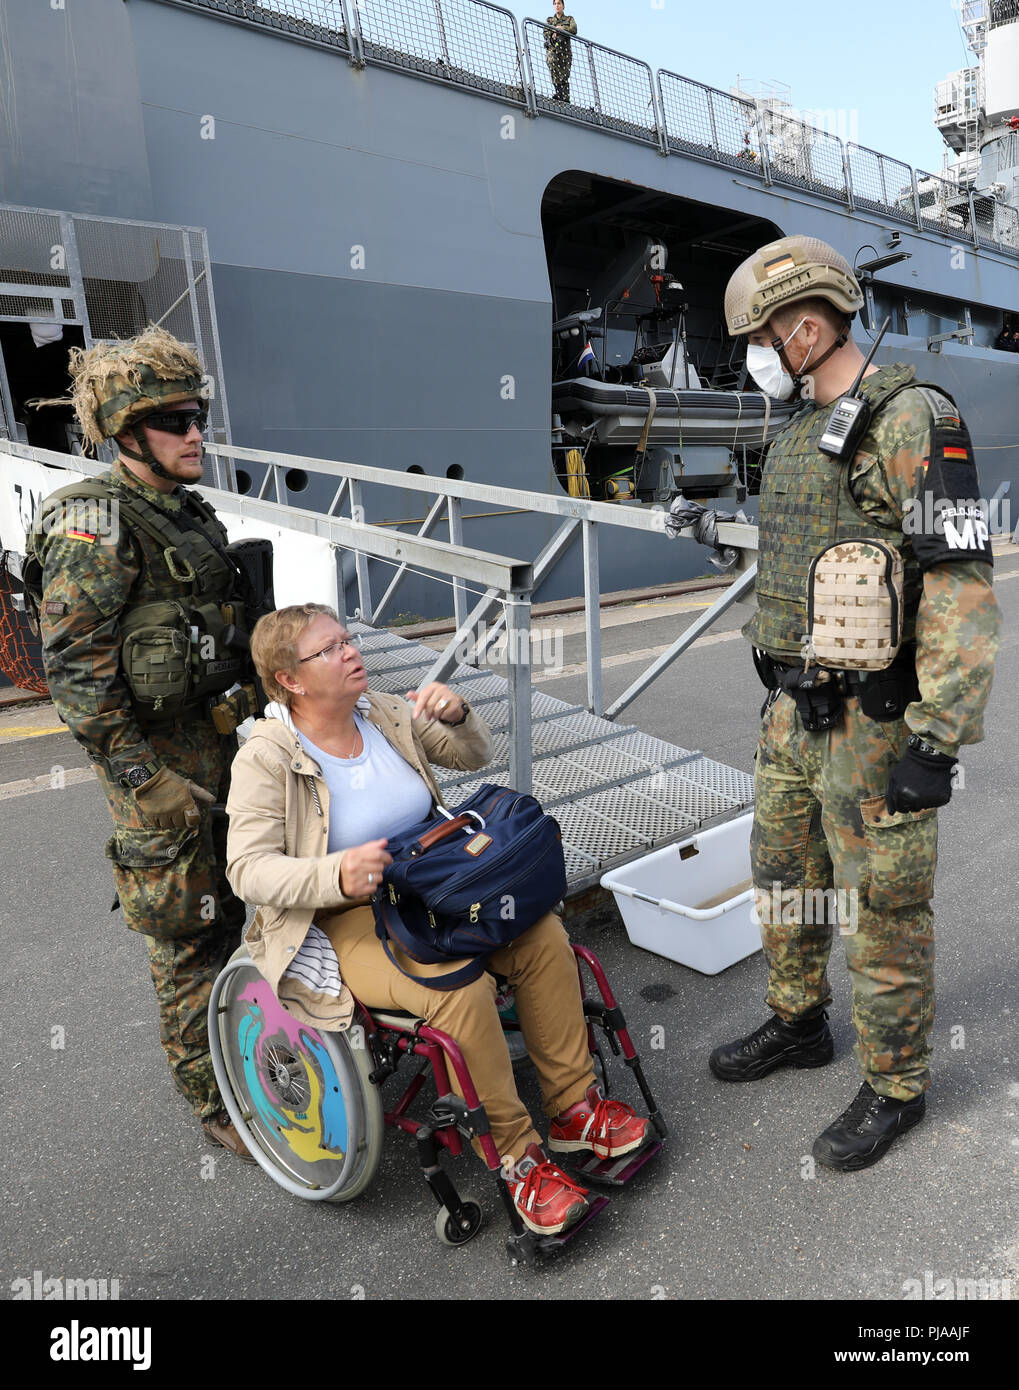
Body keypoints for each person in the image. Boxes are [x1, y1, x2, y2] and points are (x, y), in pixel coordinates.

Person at [225, 603, 652, 1234]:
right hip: (348, 915)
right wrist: (334, 873)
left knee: (543, 934)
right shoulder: (266, 757)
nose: (350, 652)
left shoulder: (385, 714)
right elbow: (247, 869)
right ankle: (518, 1160)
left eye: (347, 640)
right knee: (458, 987)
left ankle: (573, 1110)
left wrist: (459, 714)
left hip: (435, 887)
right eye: (330, 649)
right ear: (290, 679)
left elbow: (472, 754)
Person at [712, 235, 1000, 1171]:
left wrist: (937, 738)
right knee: (783, 880)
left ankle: (895, 1084)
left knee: (881, 909)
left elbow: (956, 583)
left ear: (803, 327)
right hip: (791, 715)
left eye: (758, 336)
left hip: (875, 729)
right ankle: (798, 1022)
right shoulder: (798, 428)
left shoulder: (911, 418)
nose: (754, 355)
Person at [26, 327, 261, 1160]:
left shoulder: (179, 507)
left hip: (226, 745)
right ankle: (214, 1102)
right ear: (127, 434)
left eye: (197, 416)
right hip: (161, 768)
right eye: (174, 421)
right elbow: (76, 672)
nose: (195, 433)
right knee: (190, 934)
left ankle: (267, 1057)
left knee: (252, 904)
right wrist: (141, 776)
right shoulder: (95, 523)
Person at [544, 2, 577, 104]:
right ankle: (559, 93)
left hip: (565, 52)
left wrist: (562, 29)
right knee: (553, 68)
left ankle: (565, 98)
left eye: (559, 3)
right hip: (553, 50)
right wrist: (553, 32)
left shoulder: (569, 19)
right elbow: (545, 32)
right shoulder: (550, 20)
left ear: (563, 6)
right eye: (555, 4)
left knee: (564, 75)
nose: (557, 6)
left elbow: (574, 29)